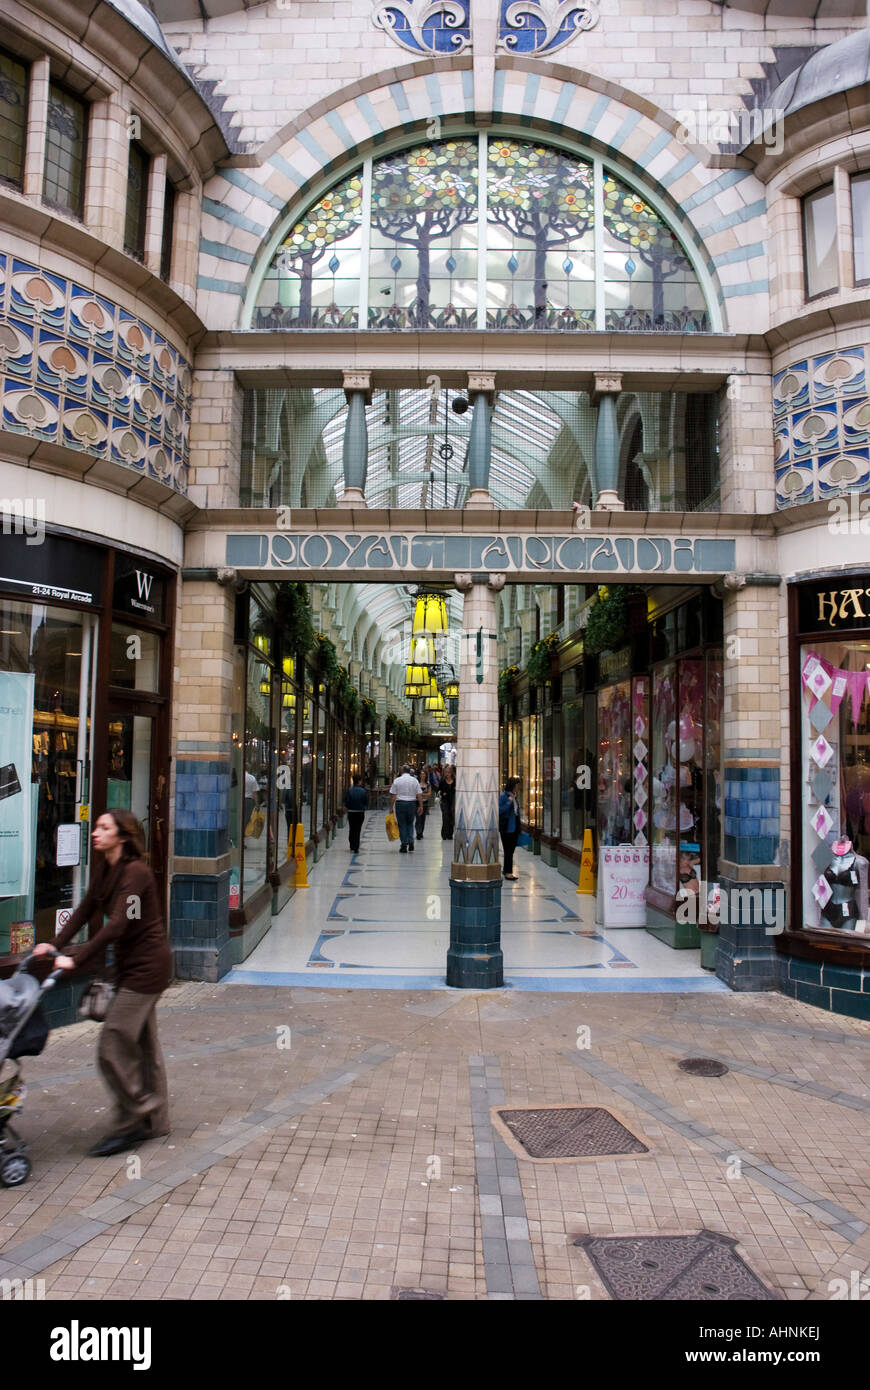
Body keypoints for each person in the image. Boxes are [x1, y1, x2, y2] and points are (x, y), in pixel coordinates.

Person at [33, 809, 172, 1156]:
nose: (95, 832)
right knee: (143, 1044)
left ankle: (132, 1120)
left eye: (104, 828)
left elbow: (118, 925)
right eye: (96, 827)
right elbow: (85, 910)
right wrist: (55, 944)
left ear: (122, 837)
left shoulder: (136, 873)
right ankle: (156, 1122)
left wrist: (76, 958)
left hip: (147, 968)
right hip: (130, 965)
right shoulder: (107, 870)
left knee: (112, 1043)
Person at [389, 764, 423, 853]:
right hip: (412, 804)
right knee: (410, 823)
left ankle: (404, 845)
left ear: (402, 771)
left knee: (402, 824)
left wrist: (391, 808)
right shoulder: (415, 781)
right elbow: (419, 794)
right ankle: (411, 842)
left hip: (400, 804)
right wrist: (421, 806)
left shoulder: (397, 781)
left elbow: (393, 796)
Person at [498, 776, 522, 880]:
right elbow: (499, 810)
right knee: (508, 850)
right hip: (507, 828)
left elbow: (517, 813)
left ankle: (506, 870)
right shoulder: (504, 796)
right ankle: (508, 872)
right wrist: (509, 803)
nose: (518, 787)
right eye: (517, 785)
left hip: (514, 827)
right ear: (512, 785)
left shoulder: (514, 796)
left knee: (510, 850)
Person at [344, 772, 369, 852]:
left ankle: (352, 844)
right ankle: (356, 847)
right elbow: (366, 802)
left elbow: (346, 801)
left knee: (352, 828)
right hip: (360, 812)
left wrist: (349, 807)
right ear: (359, 781)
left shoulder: (349, 790)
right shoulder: (363, 791)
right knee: (358, 829)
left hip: (351, 812)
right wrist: (363, 807)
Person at [439, 764, 456, 840]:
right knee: (445, 816)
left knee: (452, 816)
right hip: (444, 800)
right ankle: (444, 834)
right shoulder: (442, 781)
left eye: (449, 772)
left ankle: (450, 834)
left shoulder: (455, 781)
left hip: (452, 800)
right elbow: (439, 790)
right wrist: (443, 793)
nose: (447, 774)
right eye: (446, 772)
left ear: (451, 773)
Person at [415, 767, 432, 840]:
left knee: (423, 819)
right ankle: (418, 832)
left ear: (426, 776)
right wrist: (422, 794)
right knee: (418, 818)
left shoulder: (428, 784)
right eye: (421, 774)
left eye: (424, 774)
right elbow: (415, 794)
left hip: (425, 803)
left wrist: (421, 794)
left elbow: (429, 794)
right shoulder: (416, 784)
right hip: (417, 803)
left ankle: (421, 832)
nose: (422, 776)